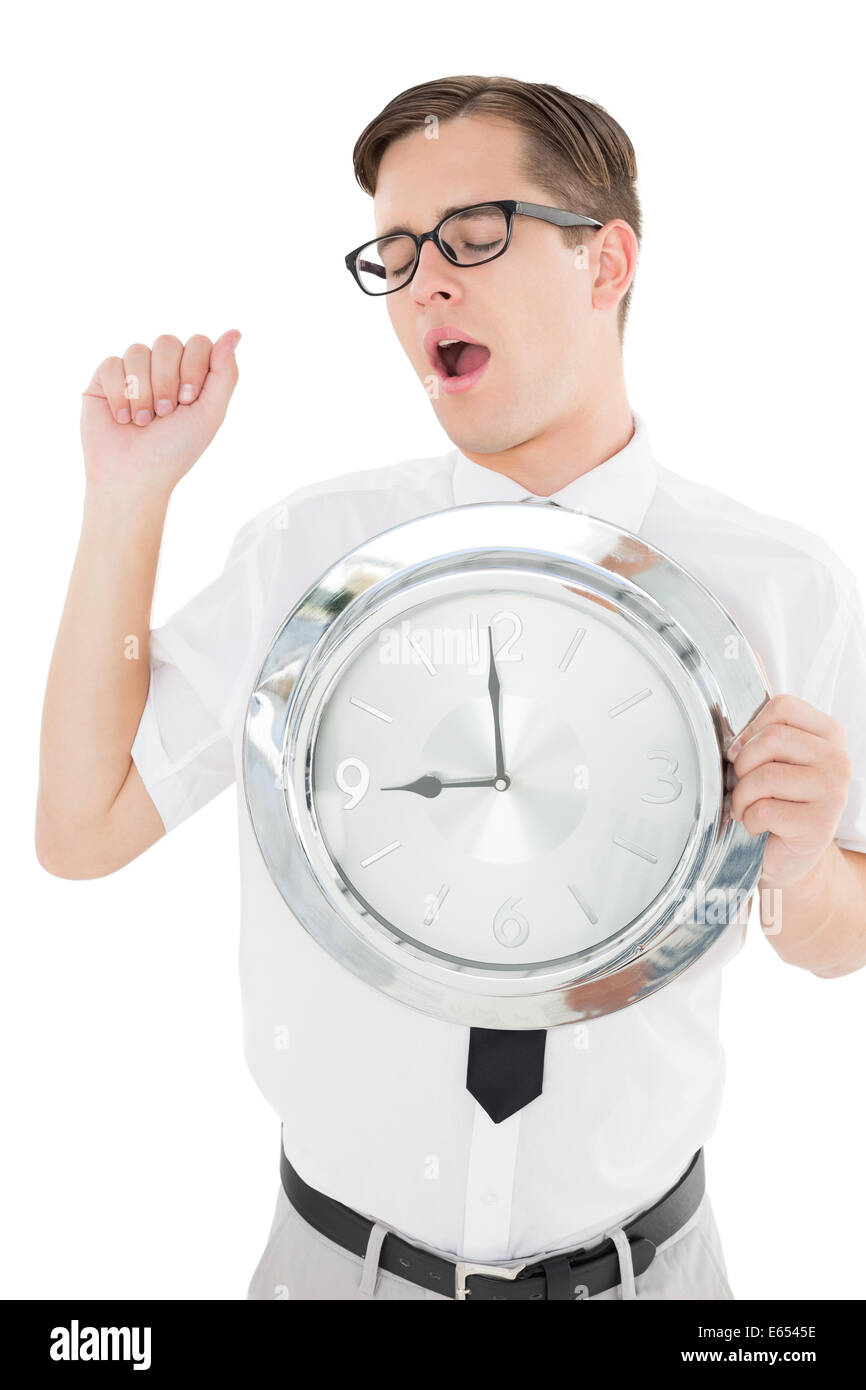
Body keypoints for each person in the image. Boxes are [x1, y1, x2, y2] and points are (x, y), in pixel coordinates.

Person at [36, 75, 866, 1301]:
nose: (424, 279)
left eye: (474, 235)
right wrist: (125, 500)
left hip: (655, 1280)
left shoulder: (778, 585)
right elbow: (80, 830)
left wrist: (796, 866)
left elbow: (835, 941)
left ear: (606, 260)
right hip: (336, 1273)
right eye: (393, 252)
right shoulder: (306, 555)